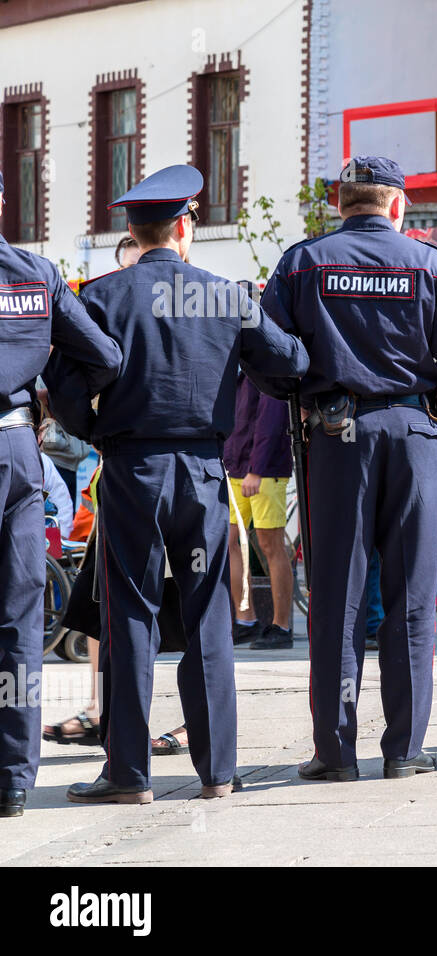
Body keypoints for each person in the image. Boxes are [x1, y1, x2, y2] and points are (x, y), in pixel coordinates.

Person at [44, 164, 305, 805]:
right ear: (185, 226)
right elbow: (290, 364)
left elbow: (67, 393)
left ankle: (128, 774)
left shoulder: (100, 296)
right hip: (205, 471)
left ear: (133, 231)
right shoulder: (224, 294)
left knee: (129, 611)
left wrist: (100, 431)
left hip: (132, 468)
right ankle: (216, 771)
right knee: (210, 612)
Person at [260, 156, 437, 781]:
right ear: (397, 206)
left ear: (340, 204)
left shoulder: (303, 262)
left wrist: (305, 385)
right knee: (413, 595)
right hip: (415, 433)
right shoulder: (430, 263)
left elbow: (265, 352)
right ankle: (405, 750)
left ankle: (335, 754)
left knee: (336, 595)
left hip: (336, 438)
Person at [0, 172, 123, 818]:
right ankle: (14, 779)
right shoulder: (36, 275)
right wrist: (59, 398)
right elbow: (104, 353)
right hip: (18, 448)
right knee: (19, 617)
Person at [224, 359, 296, 650]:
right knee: (229, 541)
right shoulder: (235, 371)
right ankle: (246, 620)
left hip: (264, 472)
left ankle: (282, 626)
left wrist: (257, 469)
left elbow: (271, 421)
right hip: (236, 468)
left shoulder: (264, 367)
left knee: (270, 546)